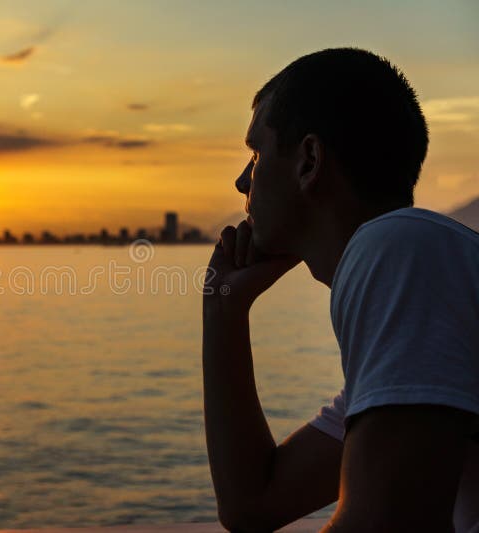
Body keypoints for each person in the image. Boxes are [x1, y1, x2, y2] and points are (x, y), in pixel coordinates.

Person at [202, 47, 479, 532]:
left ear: (309, 160)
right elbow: (253, 504)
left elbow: (388, 524)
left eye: (256, 152)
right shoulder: (417, 268)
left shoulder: (400, 248)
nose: (241, 180)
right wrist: (223, 309)